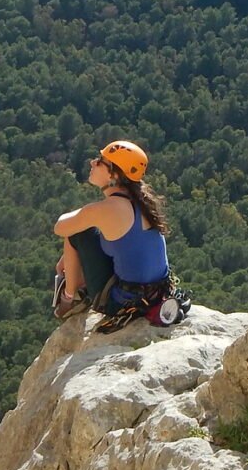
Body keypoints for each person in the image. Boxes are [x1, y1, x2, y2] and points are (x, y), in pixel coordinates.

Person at [52, 139, 186, 331]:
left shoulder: (108, 209)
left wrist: (85, 214)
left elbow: (60, 227)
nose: (92, 163)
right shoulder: (141, 202)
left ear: (114, 175)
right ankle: (74, 293)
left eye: (100, 161)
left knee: (78, 233)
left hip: (125, 303)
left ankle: (70, 297)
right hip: (158, 294)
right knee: (89, 232)